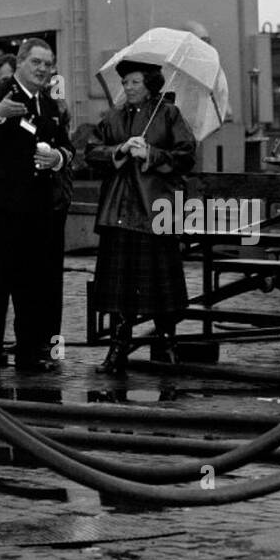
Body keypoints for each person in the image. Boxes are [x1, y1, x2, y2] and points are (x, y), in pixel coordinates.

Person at [0, 38, 75, 375]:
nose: (43, 69)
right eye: (36, 62)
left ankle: (30, 353)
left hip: (37, 209)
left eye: (48, 64)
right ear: (20, 63)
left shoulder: (51, 104)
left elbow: (67, 146)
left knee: (32, 285)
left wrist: (58, 158)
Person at [85, 62, 196, 372]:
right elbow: (91, 151)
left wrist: (151, 154)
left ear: (149, 84)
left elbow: (187, 155)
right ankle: (117, 349)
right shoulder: (113, 116)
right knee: (119, 288)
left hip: (155, 211)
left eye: (135, 82)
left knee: (160, 287)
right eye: (125, 82)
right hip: (119, 212)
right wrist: (120, 150)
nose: (128, 87)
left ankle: (168, 347)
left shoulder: (169, 114)